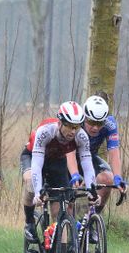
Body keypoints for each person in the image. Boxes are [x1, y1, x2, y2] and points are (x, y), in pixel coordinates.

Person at [22, 101, 97, 242]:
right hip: (34, 156)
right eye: (69, 126)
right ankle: (29, 222)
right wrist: (38, 193)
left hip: (57, 161)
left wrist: (91, 190)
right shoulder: (46, 131)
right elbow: (37, 166)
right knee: (31, 182)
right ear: (60, 123)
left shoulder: (81, 137)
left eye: (77, 127)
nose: (73, 131)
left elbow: (87, 165)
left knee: (59, 210)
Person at [77, 94, 127, 207]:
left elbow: (114, 154)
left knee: (107, 178)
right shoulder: (76, 121)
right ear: (84, 117)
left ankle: (92, 218)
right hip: (68, 159)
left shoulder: (110, 124)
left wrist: (118, 178)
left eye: (100, 123)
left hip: (90, 157)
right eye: (91, 122)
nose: (95, 127)